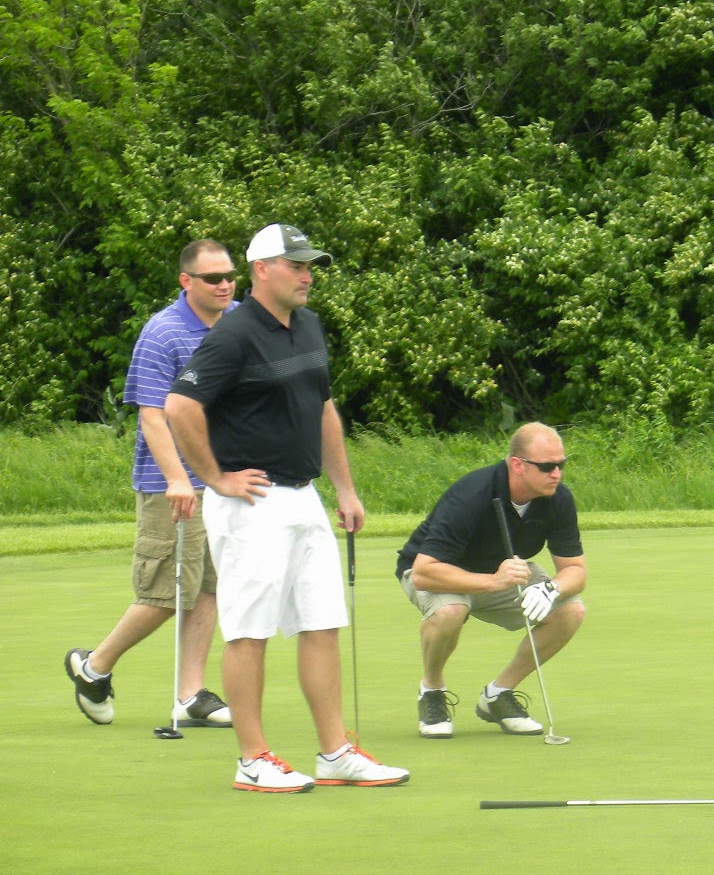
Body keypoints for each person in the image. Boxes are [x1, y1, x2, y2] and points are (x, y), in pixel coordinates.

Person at [165, 223, 408, 793]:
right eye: (295, 265)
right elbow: (180, 406)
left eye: (310, 264)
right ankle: (252, 758)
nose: (307, 274)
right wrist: (214, 478)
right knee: (249, 631)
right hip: (252, 503)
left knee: (321, 623)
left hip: (305, 498)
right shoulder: (235, 334)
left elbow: (322, 407)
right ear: (262, 270)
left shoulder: (308, 325)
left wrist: (344, 489)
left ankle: (335, 753)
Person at [65, 240, 237, 730]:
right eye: (211, 278)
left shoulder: (242, 322)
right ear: (187, 281)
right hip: (172, 485)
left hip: (222, 479)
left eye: (229, 276)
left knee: (209, 589)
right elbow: (151, 415)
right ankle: (93, 666)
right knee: (166, 594)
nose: (224, 284)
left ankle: (190, 695)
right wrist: (178, 478)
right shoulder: (163, 332)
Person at [395, 422, 586, 738]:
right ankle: (432, 690)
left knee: (571, 611)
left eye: (561, 465)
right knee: (451, 611)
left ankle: (498, 695)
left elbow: (576, 570)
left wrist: (552, 588)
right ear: (517, 465)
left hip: (502, 574)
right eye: (548, 466)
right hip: (440, 573)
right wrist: (494, 583)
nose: (557, 474)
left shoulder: (558, 499)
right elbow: (423, 572)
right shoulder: (473, 493)